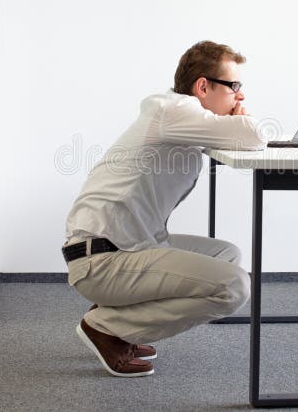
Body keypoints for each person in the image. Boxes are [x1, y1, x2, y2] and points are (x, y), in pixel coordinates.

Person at [62, 40, 267, 377]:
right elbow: (255, 135)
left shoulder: (181, 118)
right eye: (234, 87)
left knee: (226, 255)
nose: (240, 96)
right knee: (235, 286)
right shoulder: (173, 110)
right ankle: (107, 326)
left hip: (121, 248)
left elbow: (239, 136)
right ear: (203, 86)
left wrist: (233, 125)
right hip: (101, 260)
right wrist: (240, 123)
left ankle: (121, 318)